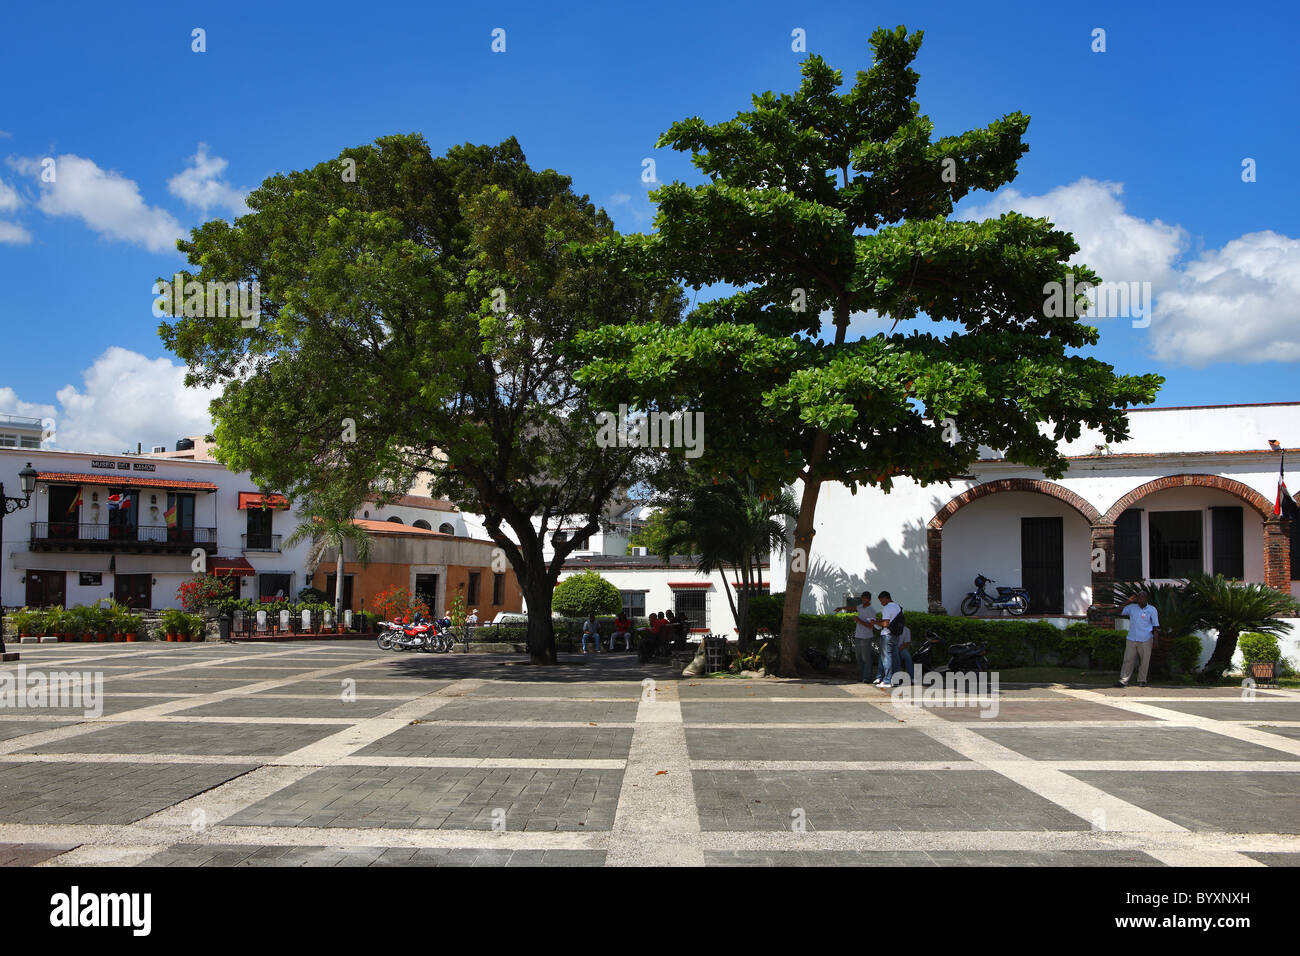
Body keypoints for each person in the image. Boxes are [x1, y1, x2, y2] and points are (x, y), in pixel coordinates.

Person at [1116, 591, 1160, 687]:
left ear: (1146, 598)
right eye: (1139, 598)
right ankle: (1123, 680)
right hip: (1132, 638)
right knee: (1128, 660)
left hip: (1146, 638)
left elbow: (1155, 626)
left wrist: (1155, 640)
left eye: (1143, 597)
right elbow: (1118, 611)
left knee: (1144, 661)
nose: (1141, 599)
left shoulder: (1152, 609)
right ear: (1137, 599)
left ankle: (1142, 680)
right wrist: (1128, 601)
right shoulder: (1131, 608)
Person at [873, 591, 904, 687]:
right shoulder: (898, 606)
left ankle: (887, 680)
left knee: (886, 658)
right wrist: (879, 622)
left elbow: (886, 624)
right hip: (895, 635)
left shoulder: (887, 607)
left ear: (886, 598)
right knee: (895, 657)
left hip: (887, 635)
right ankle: (897, 679)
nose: (881, 603)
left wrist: (874, 622)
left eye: (881, 600)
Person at [853, 591, 876, 684]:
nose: (863, 599)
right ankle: (862, 676)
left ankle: (867, 677)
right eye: (862, 598)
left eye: (865, 598)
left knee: (866, 658)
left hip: (866, 637)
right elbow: (853, 607)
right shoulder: (860, 607)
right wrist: (841, 608)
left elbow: (871, 626)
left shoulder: (871, 611)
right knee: (859, 658)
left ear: (869, 599)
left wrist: (859, 620)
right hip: (858, 636)